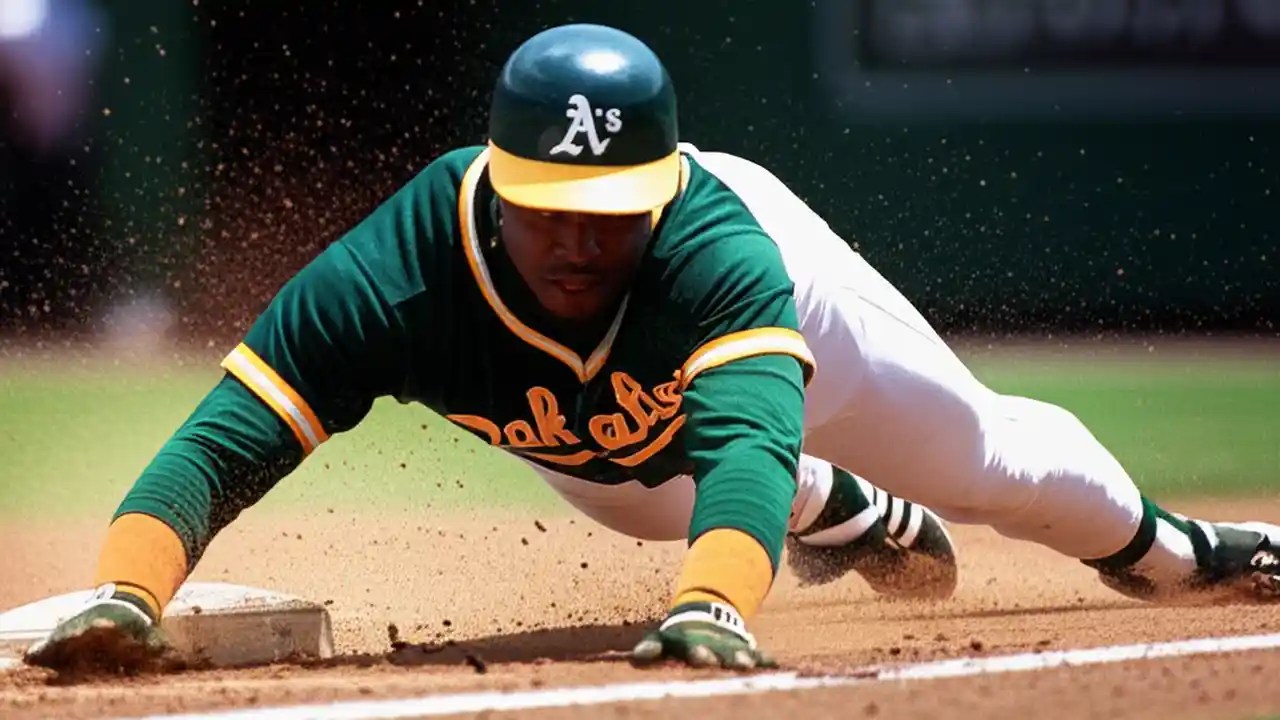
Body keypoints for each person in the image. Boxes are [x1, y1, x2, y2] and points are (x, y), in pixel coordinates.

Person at [25, 23, 1280, 674]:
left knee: (977, 463)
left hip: (787, 320)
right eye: (550, 209)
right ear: (495, 185)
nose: (578, 239)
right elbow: (222, 445)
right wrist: (130, 597)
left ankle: (1174, 549)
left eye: (611, 213)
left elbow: (734, 441)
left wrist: (711, 612)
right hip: (610, 426)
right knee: (635, 500)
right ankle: (833, 507)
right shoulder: (389, 278)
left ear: (661, 187)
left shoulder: (715, 250)